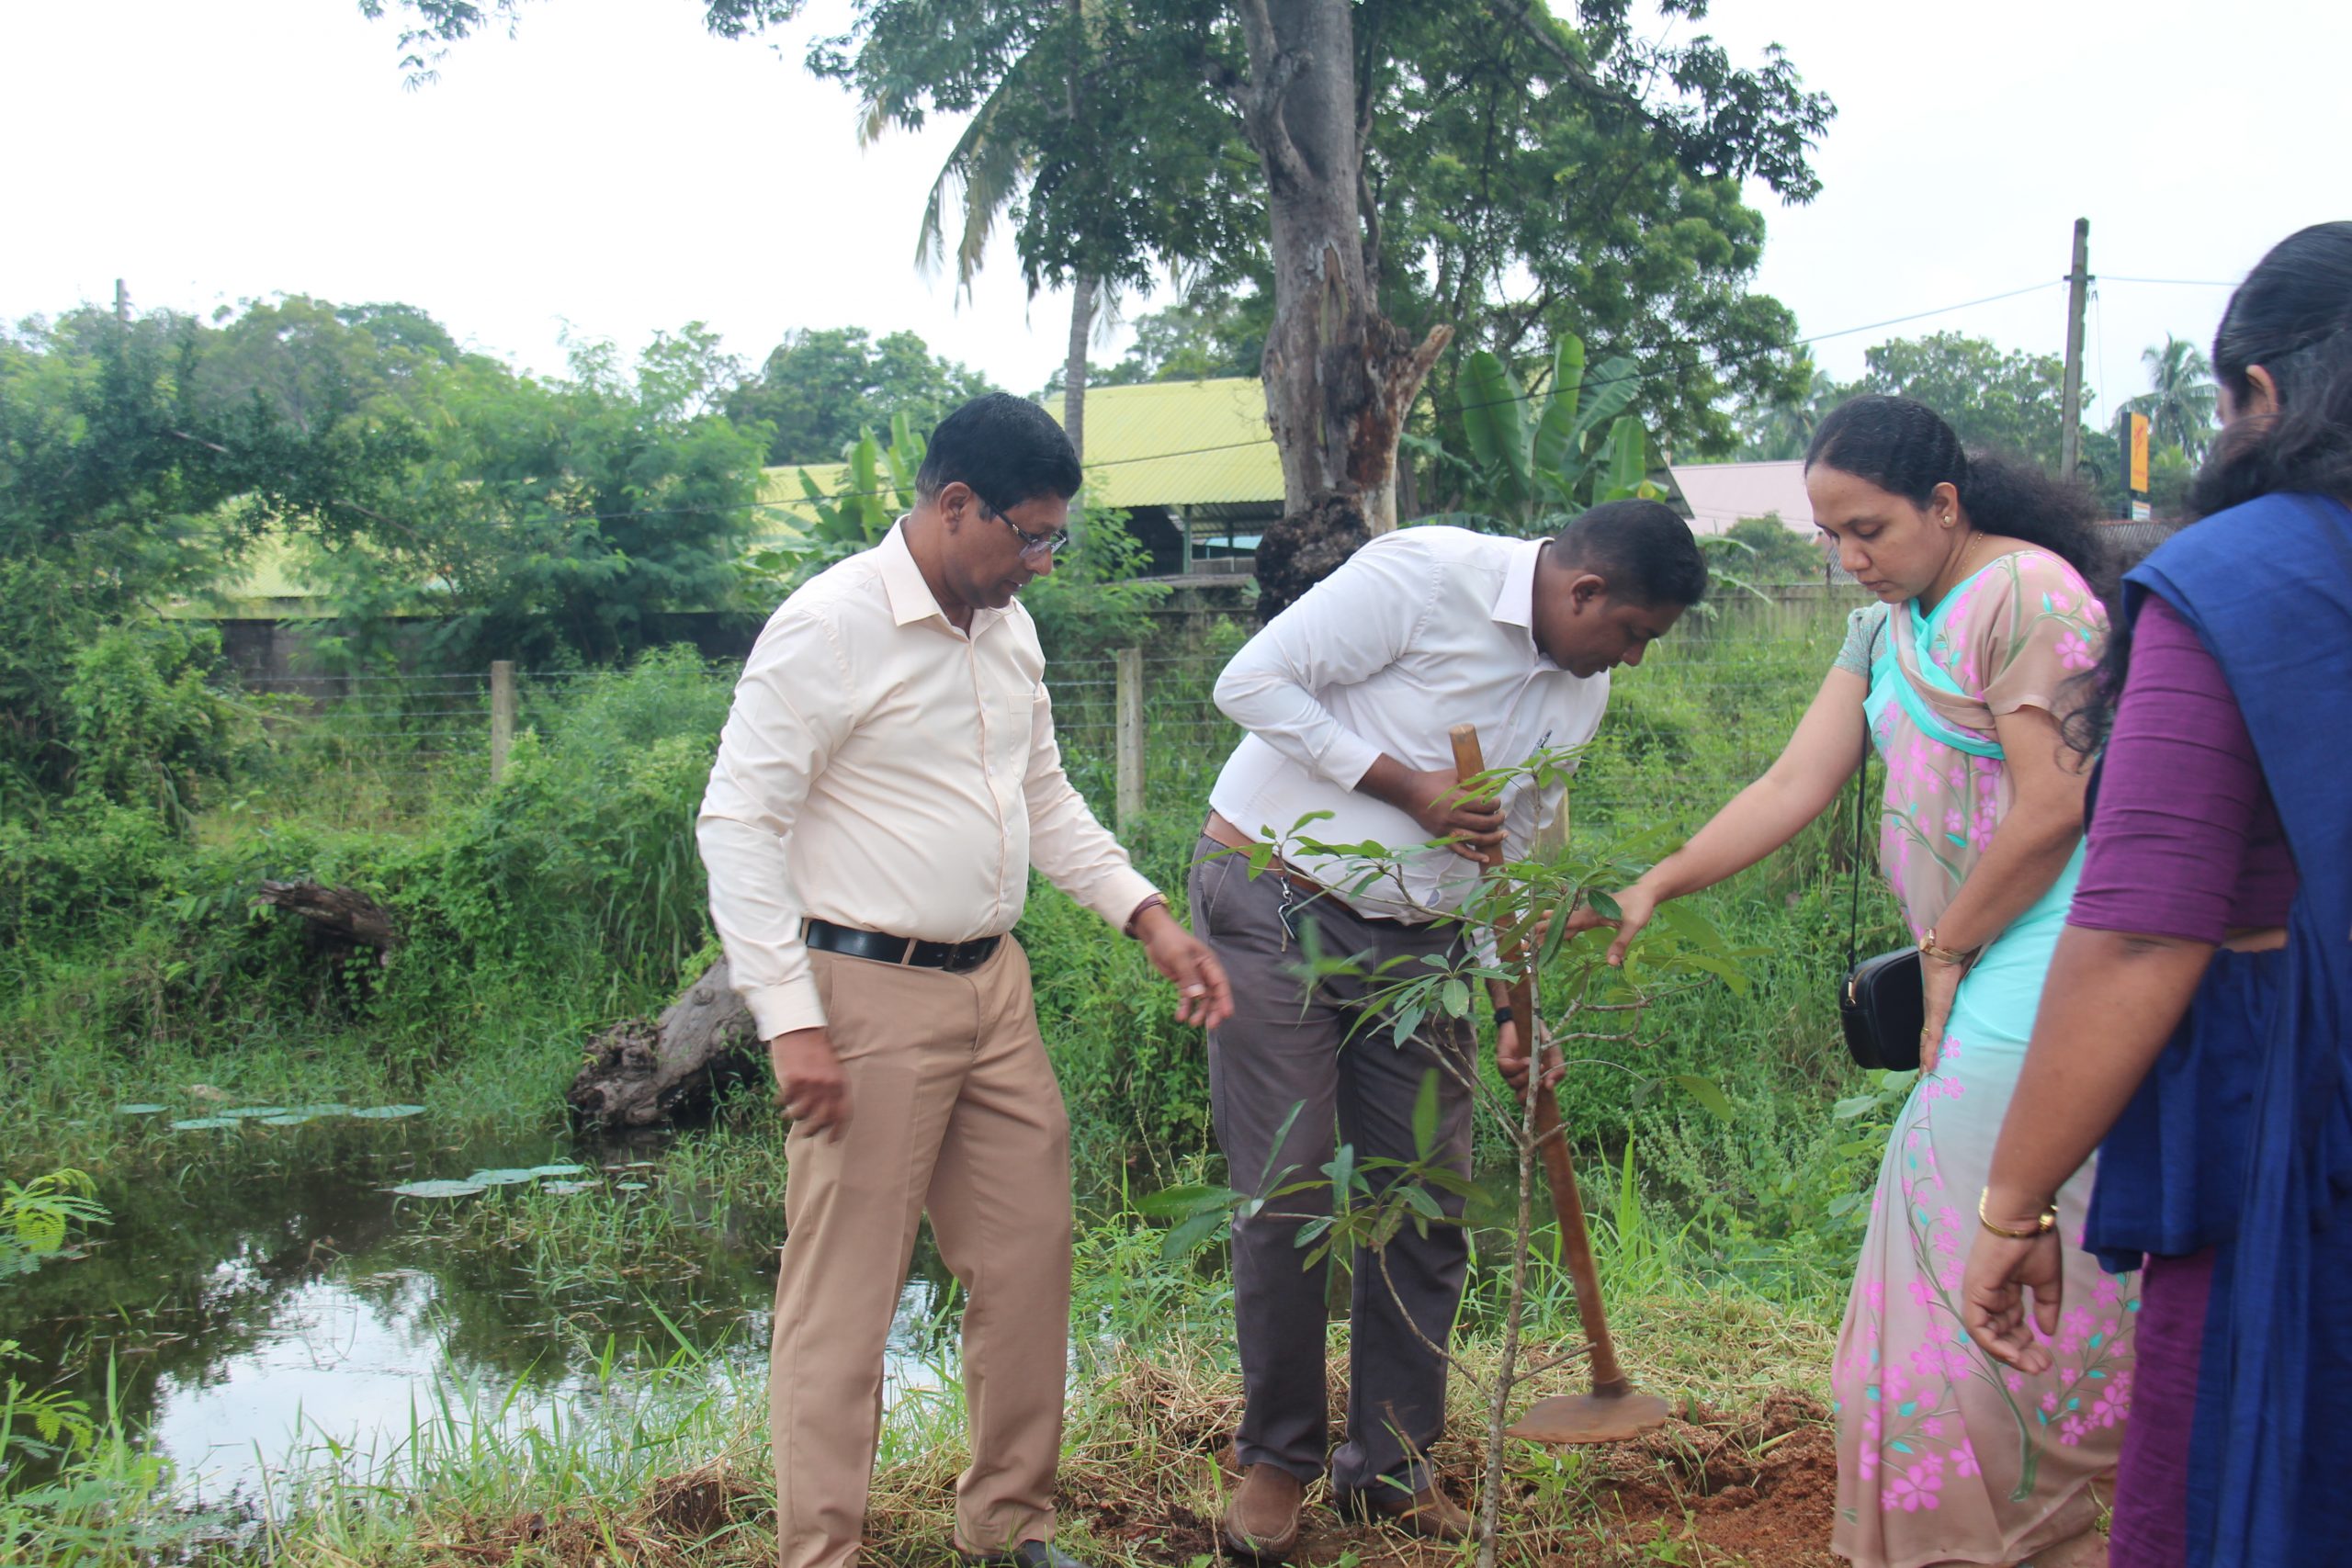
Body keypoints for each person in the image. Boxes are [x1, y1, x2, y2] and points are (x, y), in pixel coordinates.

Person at [1572, 398, 2126, 1568]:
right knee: (1936, 1253)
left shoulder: (2029, 596)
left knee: (1973, 1241)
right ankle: (1988, 1531)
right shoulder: (1884, 630)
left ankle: (2016, 1530)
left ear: (1944, 504)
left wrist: (1946, 947)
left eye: (1866, 530)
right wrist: (1655, 883)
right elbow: (1791, 784)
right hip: (1975, 962)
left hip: (2047, 954)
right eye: (1830, 536)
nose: (1847, 559)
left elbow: (2055, 808)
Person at [696, 392, 1233, 1568]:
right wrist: (789, 1022)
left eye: (1055, 539)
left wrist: (1142, 912)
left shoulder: (1006, 628)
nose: (1041, 561)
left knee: (1030, 1256)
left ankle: (1008, 1530)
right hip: (864, 999)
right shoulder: (828, 627)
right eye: (1028, 536)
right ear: (954, 506)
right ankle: (821, 1552)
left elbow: (1040, 796)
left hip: (993, 988)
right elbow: (737, 823)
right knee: (845, 1299)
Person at [1194, 502, 1708, 1559]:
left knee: (1426, 1195)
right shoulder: (1425, 577)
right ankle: (1276, 1461)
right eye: (1633, 633)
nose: (1634, 660)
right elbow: (1244, 683)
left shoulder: (1582, 692)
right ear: (1583, 594)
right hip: (1274, 901)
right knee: (1290, 1186)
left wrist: (1514, 1006)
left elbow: (1505, 856)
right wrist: (1406, 787)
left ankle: (1391, 1465)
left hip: (1424, 948)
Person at [1962, 221, 2352, 1567]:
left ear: (2260, 394)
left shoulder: (2240, 582)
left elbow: (2138, 927)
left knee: (2268, 1459)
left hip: (2298, 1114)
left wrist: (2015, 1204)